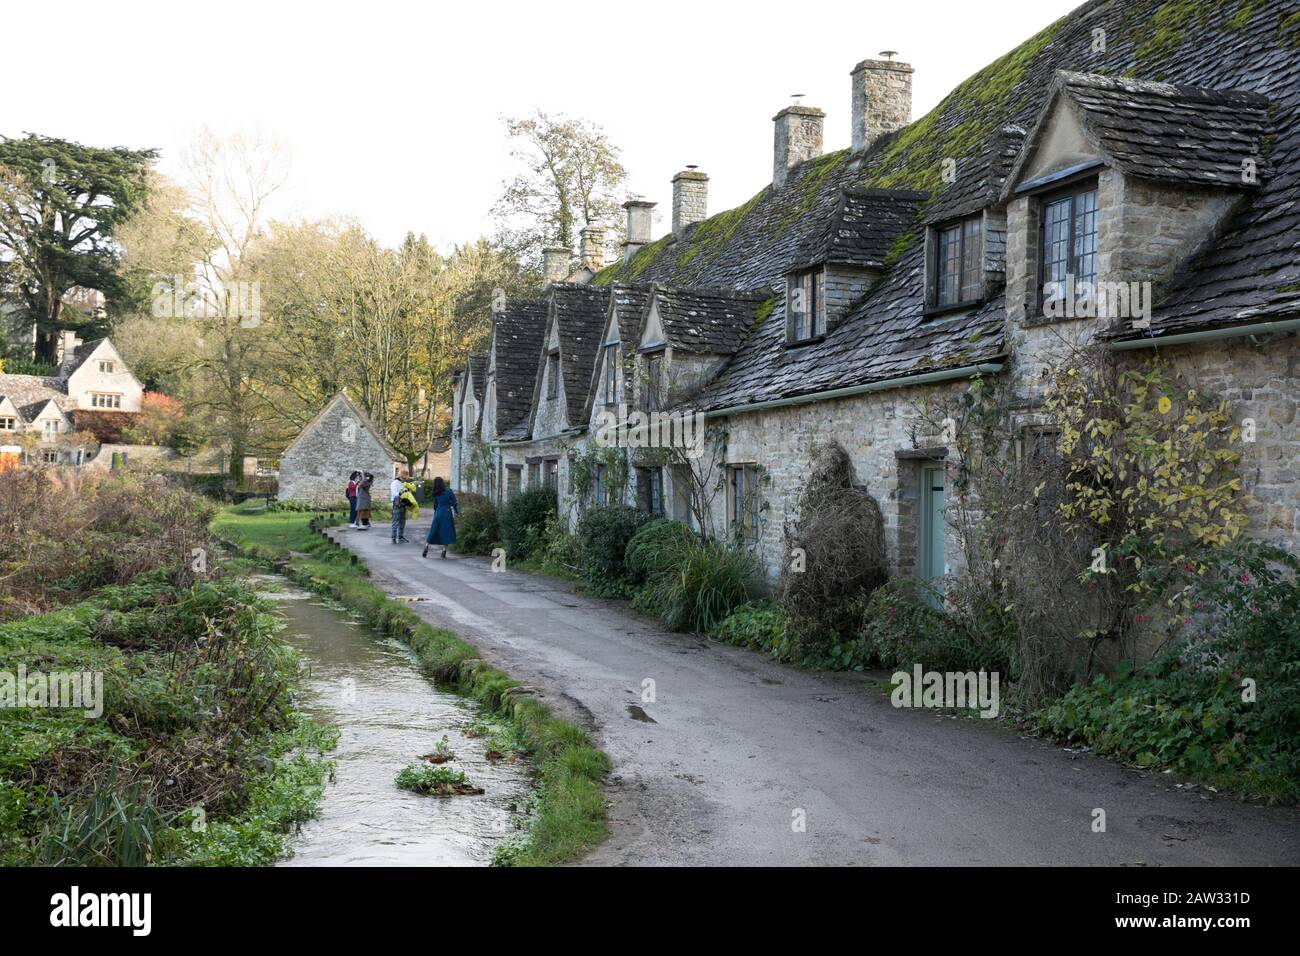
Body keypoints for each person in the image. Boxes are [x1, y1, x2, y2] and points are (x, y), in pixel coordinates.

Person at [422, 477, 458, 559]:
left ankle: (426, 546)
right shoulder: (449, 491)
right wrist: (456, 511)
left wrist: (436, 513)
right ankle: (444, 551)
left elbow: (435, 506)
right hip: (446, 514)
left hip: (438, 513)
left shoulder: (436, 493)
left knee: (433, 531)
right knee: (446, 532)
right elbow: (454, 502)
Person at [390, 469, 411, 543]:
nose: (404, 479)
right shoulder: (394, 483)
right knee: (395, 521)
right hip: (397, 503)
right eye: (403, 478)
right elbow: (394, 494)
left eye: (405, 478)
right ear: (400, 477)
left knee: (402, 521)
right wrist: (401, 492)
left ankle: (400, 536)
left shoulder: (404, 483)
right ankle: (393, 537)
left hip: (403, 504)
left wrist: (407, 491)